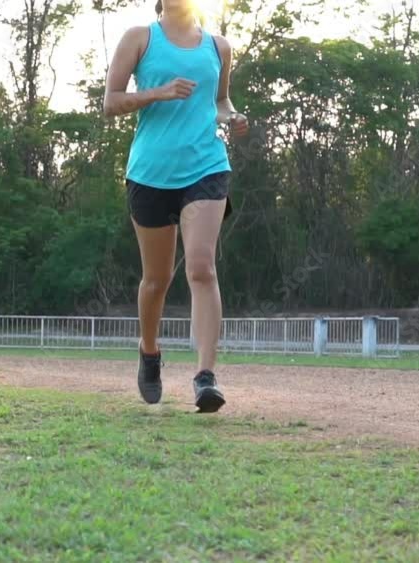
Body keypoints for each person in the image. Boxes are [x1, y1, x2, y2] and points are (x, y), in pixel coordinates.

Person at [104, 0, 250, 412]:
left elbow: (220, 103)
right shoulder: (140, 38)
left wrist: (234, 119)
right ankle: (149, 351)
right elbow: (110, 101)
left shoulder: (218, 48)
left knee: (201, 268)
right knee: (156, 279)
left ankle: (205, 377)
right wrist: (158, 93)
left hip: (206, 166)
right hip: (150, 171)